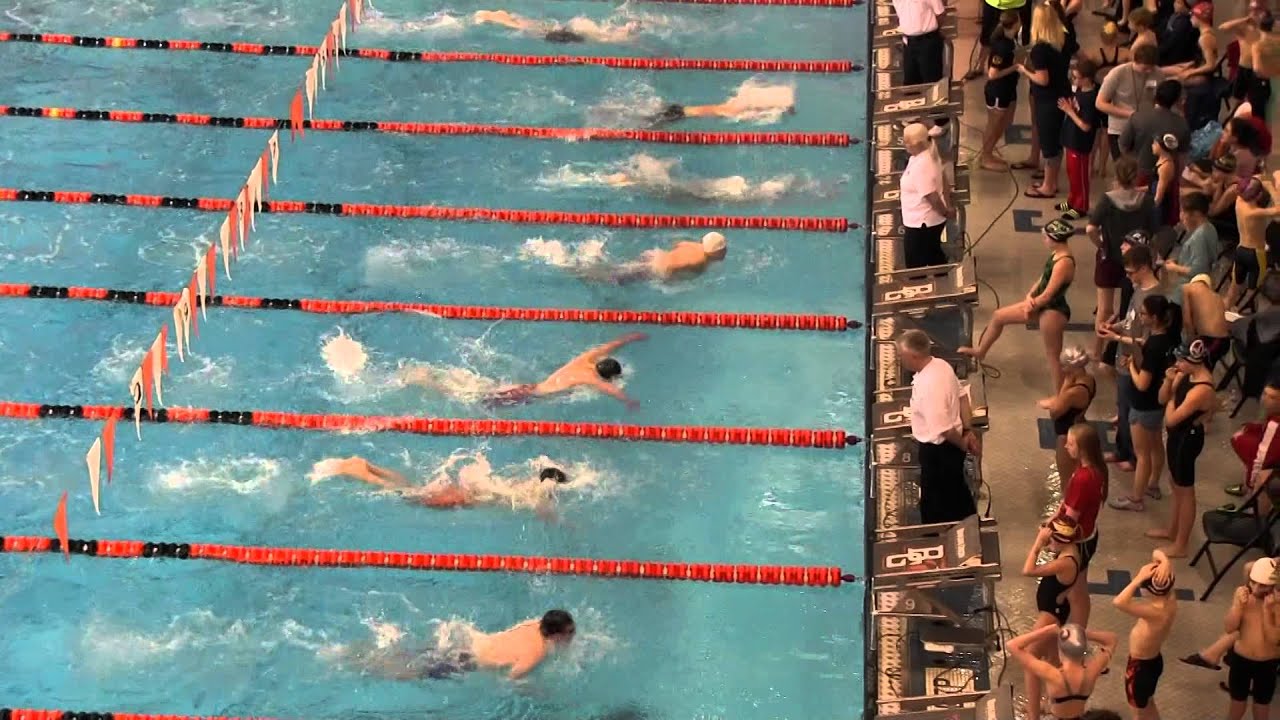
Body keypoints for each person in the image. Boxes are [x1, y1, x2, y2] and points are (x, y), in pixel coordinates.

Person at [961, 220, 1076, 392]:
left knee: (1052, 356)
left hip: (1053, 311)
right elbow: (1042, 280)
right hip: (1041, 305)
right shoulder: (1056, 254)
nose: (1043, 240)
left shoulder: (1063, 262)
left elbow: (1048, 295)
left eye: (1045, 237)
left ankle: (1060, 397)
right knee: (999, 316)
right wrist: (1030, 295)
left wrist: (1032, 305)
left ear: (1055, 239)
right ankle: (980, 351)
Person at [400, 331, 647, 408]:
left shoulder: (585, 361)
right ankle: (426, 382)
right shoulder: (589, 377)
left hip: (527, 387)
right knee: (472, 400)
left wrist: (631, 338)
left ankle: (430, 377)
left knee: (478, 391)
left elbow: (608, 345)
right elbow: (608, 389)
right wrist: (629, 400)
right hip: (527, 395)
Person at [337, 610, 576, 680]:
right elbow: (511, 679)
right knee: (409, 672)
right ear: (554, 635)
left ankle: (356, 653)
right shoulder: (537, 653)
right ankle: (358, 663)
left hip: (467, 644)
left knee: (417, 655)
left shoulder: (534, 623)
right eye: (569, 632)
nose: (573, 635)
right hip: (466, 663)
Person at [312, 452, 571, 516]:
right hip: (464, 495)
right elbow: (545, 515)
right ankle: (361, 472)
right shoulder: (538, 494)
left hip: (467, 491)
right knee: (411, 496)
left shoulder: (526, 484)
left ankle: (366, 465)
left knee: (413, 488)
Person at [898, 329, 980, 524]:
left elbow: (944, 429)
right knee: (956, 492)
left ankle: (939, 539)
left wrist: (963, 444)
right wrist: (968, 431)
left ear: (913, 355)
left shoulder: (929, 386)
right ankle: (970, 528)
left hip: (940, 451)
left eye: (901, 355)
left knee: (936, 504)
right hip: (951, 445)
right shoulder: (941, 365)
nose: (900, 359)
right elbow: (962, 397)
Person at [1109, 295, 1179, 510]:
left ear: (1155, 317)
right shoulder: (1168, 338)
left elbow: (1141, 383)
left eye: (1143, 314)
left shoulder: (1154, 347)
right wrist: (1122, 339)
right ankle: (1153, 484)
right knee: (1157, 445)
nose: (1140, 316)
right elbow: (1145, 343)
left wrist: (1130, 365)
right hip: (1158, 404)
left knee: (1142, 455)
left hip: (1143, 404)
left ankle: (1136, 499)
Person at [1150, 339, 1217, 557]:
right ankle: (1172, 530)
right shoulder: (1184, 373)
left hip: (1188, 439)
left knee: (1185, 491)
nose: (1177, 363)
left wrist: (1171, 400)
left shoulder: (1202, 389)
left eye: (1181, 359)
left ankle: (1181, 545)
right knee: (1174, 483)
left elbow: (1171, 419)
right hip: (1177, 436)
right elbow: (1162, 399)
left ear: (1193, 361)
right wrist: (1169, 383)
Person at [1101, 245, 1165, 473]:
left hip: (1137, 364)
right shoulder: (1138, 289)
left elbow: (1147, 340)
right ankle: (1121, 450)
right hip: (1125, 358)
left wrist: (1116, 336)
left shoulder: (1155, 297)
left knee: (1131, 414)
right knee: (1122, 407)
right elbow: (1130, 321)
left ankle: (1133, 456)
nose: (1128, 278)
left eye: (1131, 272)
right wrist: (1113, 327)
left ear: (1144, 267)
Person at [1088, 157, 1157, 360]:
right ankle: (1123, 351)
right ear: (1136, 177)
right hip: (1137, 261)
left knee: (1104, 307)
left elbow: (1091, 228)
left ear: (1117, 176)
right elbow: (1153, 232)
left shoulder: (1107, 200)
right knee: (1129, 306)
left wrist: (1101, 245)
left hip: (1109, 256)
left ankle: (1098, 349)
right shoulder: (1147, 201)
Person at [1054, 422, 1110, 625]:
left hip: (1079, 542)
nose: (1066, 447)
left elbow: (1070, 520)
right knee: (1076, 590)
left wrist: (1052, 539)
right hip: (1088, 536)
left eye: (1070, 444)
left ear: (1082, 448)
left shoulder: (1083, 479)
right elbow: (1068, 503)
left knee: (1077, 593)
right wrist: (1053, 516)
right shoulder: (1093, 469)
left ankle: (1078, 635)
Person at [1008, 621, 1118, 720]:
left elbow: (1012, 645)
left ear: (1060, 651)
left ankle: (1045, 706)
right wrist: (1079, 634)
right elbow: (1112, 639)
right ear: (1084, 650)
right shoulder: (1092, 671)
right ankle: (1045, 706)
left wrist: (1047, 630)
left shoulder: (1051, 673)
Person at [1114, 551, 1178, 720]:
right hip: (1154, 662)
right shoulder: (1170, 600)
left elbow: (1119, 602)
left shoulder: (1155, 612)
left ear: (1146, 590)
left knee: (1138, 713)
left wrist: (1137, 579)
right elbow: (1157, 551)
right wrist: (1165, 562)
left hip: (1139, 668)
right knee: (1148, 703)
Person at [1018, 5, 1073, 198]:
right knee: (1057, 141)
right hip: (1063, 92)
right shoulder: (1063, 39)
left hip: (1047, 100)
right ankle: (1053, 180)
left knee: (1049, 142)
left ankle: (1048, 186)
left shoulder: (1040, 49)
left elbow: (1042, 79)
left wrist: (1025, 71)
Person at [1223, 557, 1280, 720]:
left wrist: (1268, 612)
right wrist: (1237, 607)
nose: (1255, 589)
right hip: (1241, 660)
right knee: (1236, 707)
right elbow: (1229, 628)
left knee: (1261, 709)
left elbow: (1274, 639)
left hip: (1267, 664)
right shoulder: (1243, 595)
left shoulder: (1277, 604)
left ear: (1274, 585)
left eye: (1262, 586)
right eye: (1253, 582)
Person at [1097, 44, 1165, 166]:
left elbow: (1159, 99)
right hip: (1120, 129)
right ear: (1135, 61)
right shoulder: (1117, 73)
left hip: (1146, 129)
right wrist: (1131, 114)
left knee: (1143, 169)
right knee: (1123, 170)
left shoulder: (1158, 73)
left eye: (1151, 68)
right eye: (1145, 69)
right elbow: (1100, 103)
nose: (1149, 72)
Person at [892, 0, 950, 135]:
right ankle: (912, 117)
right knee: (910, 80)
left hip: (928, 41)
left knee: (932, 81)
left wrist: (932, 33)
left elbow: (940, 14)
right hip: (909, 41)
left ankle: (942, 122)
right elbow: (900, 15)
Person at [575, 233, 728, 284]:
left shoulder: (694, 245)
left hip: (654, 254)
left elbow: (678, 244)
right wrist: (665, 280)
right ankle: (579, 269)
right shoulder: (699, 262)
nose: (725, 251)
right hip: (654, 267)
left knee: (620, 267)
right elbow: (671, 266)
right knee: (612, 278)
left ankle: (594, 258)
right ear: (715, 253)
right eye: (723, 249)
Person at [899, 122, 953, 269]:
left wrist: (945, 211)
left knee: (916, 265)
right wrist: (948, 206)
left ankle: (927, 288)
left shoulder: (922, 166)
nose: (905, 145)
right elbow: (944, 179)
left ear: (916, 144)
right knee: (933, 254)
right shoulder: (929, 152)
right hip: (928, 221)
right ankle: (942, 282)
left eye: (907, 142)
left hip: (922, 223)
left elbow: (933, 198)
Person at [1039, 347, 1097, 480]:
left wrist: (1065, 385)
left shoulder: (1073, 392)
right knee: (1075, 474)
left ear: (1072, 367)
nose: (1061, 368)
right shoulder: (1089, 379)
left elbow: (1054, 413)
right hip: (1079, 426)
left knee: (1067, 479)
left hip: (1066, 436)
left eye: (1063, 365)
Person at [1120, 80, 1190, 187]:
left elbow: (1123, 144)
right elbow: (1182, 157)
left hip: (1139, 173)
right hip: (1168, 175)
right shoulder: (1181, 124)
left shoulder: (1138, 117)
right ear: (1177, 100)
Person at [1228, 173, 1280, 311]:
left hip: (1240, 250)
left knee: (1235, 285)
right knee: (1254, 290)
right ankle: (1246, 313)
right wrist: (1271, 188)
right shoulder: (1254, 212)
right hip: (1255, 254)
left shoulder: (1239, 202)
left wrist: (1259, 178)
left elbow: (1253, 179)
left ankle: (1226, 308)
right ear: (1258, 196)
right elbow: (1279, 209)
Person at [1225, 369, 1280, 502]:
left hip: (1273, 465)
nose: (1265, 399)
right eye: (1264, 394)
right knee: (1247, 431)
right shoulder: (1273, 417)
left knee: (1240, 439)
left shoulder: (1275, 424)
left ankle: (1253, 498)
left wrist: (1251, 484)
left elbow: (1262, 459)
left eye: (1272, 397)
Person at [979, 10, 1024, 171]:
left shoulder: (1011, 41)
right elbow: (992, 73)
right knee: (994, 124)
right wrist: (1016, 67)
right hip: (998, 90)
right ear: (1016, 24)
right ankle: (985, 156)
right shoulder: (1002, 46)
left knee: (1005, 122)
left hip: (1009, 88)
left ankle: (989, 153)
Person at [1058, 58, 1102, 220]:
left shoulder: (1091, 98)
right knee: (1071, 172)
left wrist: (1069, 111)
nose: (1074, 80)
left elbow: (1086, 126)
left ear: (1087, 78)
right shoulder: (1080, 90)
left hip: (1081, 142)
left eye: (1077, 77)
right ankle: (1072, 200)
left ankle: (1081, 205)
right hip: (1071, 137)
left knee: (1080, 175)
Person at [1163, 192, 1220, 307]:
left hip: (1188, 292)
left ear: (1196, 214)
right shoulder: (1209, 227)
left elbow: (1198, 269)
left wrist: (1174, 267)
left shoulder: (1199, 237)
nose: (1181, 216)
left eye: (1183, 212)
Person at [1222, 5, 1276, 121]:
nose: (1255, 14)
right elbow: (1223, 28)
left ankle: (1258, 125)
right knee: (1236, 98)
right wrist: (1244, 19)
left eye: (1258, 12)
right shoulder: (1244, 30)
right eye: (1252, 11)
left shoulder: (1266, 34)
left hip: (1259, 72)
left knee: (1258, 105)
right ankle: (1232, 118)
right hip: (1243, 68)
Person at [646, 84, 795, 126]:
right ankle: (679, 111)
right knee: (727, 111)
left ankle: (679, 111)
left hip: (754, 95)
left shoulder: (789, 91)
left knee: (726, 109)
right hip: (752, 99)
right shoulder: (789, 99)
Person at [1171, 3, 1220, 129]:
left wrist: (1190, 72)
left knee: (1168, 82)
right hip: (1198, 68)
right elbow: (1202, 59)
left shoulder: (1205, 38)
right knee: (1162, 70)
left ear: (1198, 18)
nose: (1190, 19)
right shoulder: (1205, 33)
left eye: (1192, 16)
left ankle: (1180, 114)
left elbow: (1211, 65)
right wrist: (1188, 65)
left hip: (1203, 76)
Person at [472, 10, 640, 43]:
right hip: (556, 32)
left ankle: (621, 35)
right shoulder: (505, 14)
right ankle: (621, 32)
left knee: (530, 26)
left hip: (557, 33)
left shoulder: (502, 21)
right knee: (526, 28)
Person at [1178, 273, 1231, 363]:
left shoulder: (1186, 288)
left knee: (1189, 367)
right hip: (1224, 342)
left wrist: (1190, 342)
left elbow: (1187, 322)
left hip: (1210, 342)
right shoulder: (1217, 297)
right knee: (1203, 370)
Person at [1150, 132, 1182, 228]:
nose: (1152, 145)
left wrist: (1150, 210)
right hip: (1153, 197)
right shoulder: (1162, 161)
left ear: (1161, 146)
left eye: (1154, 143)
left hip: (1160, 207)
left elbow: (1159, 197)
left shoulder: (1165, 167)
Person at [1157, 0, 1200, 67]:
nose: (1175, 5)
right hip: (1166, 49)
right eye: (1175, 2)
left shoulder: (1184, 22)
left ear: (1187, 6)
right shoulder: (1174, 16)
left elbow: (1172, 42)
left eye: (1179, 3)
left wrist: (1157, 52)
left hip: (1176, 56)